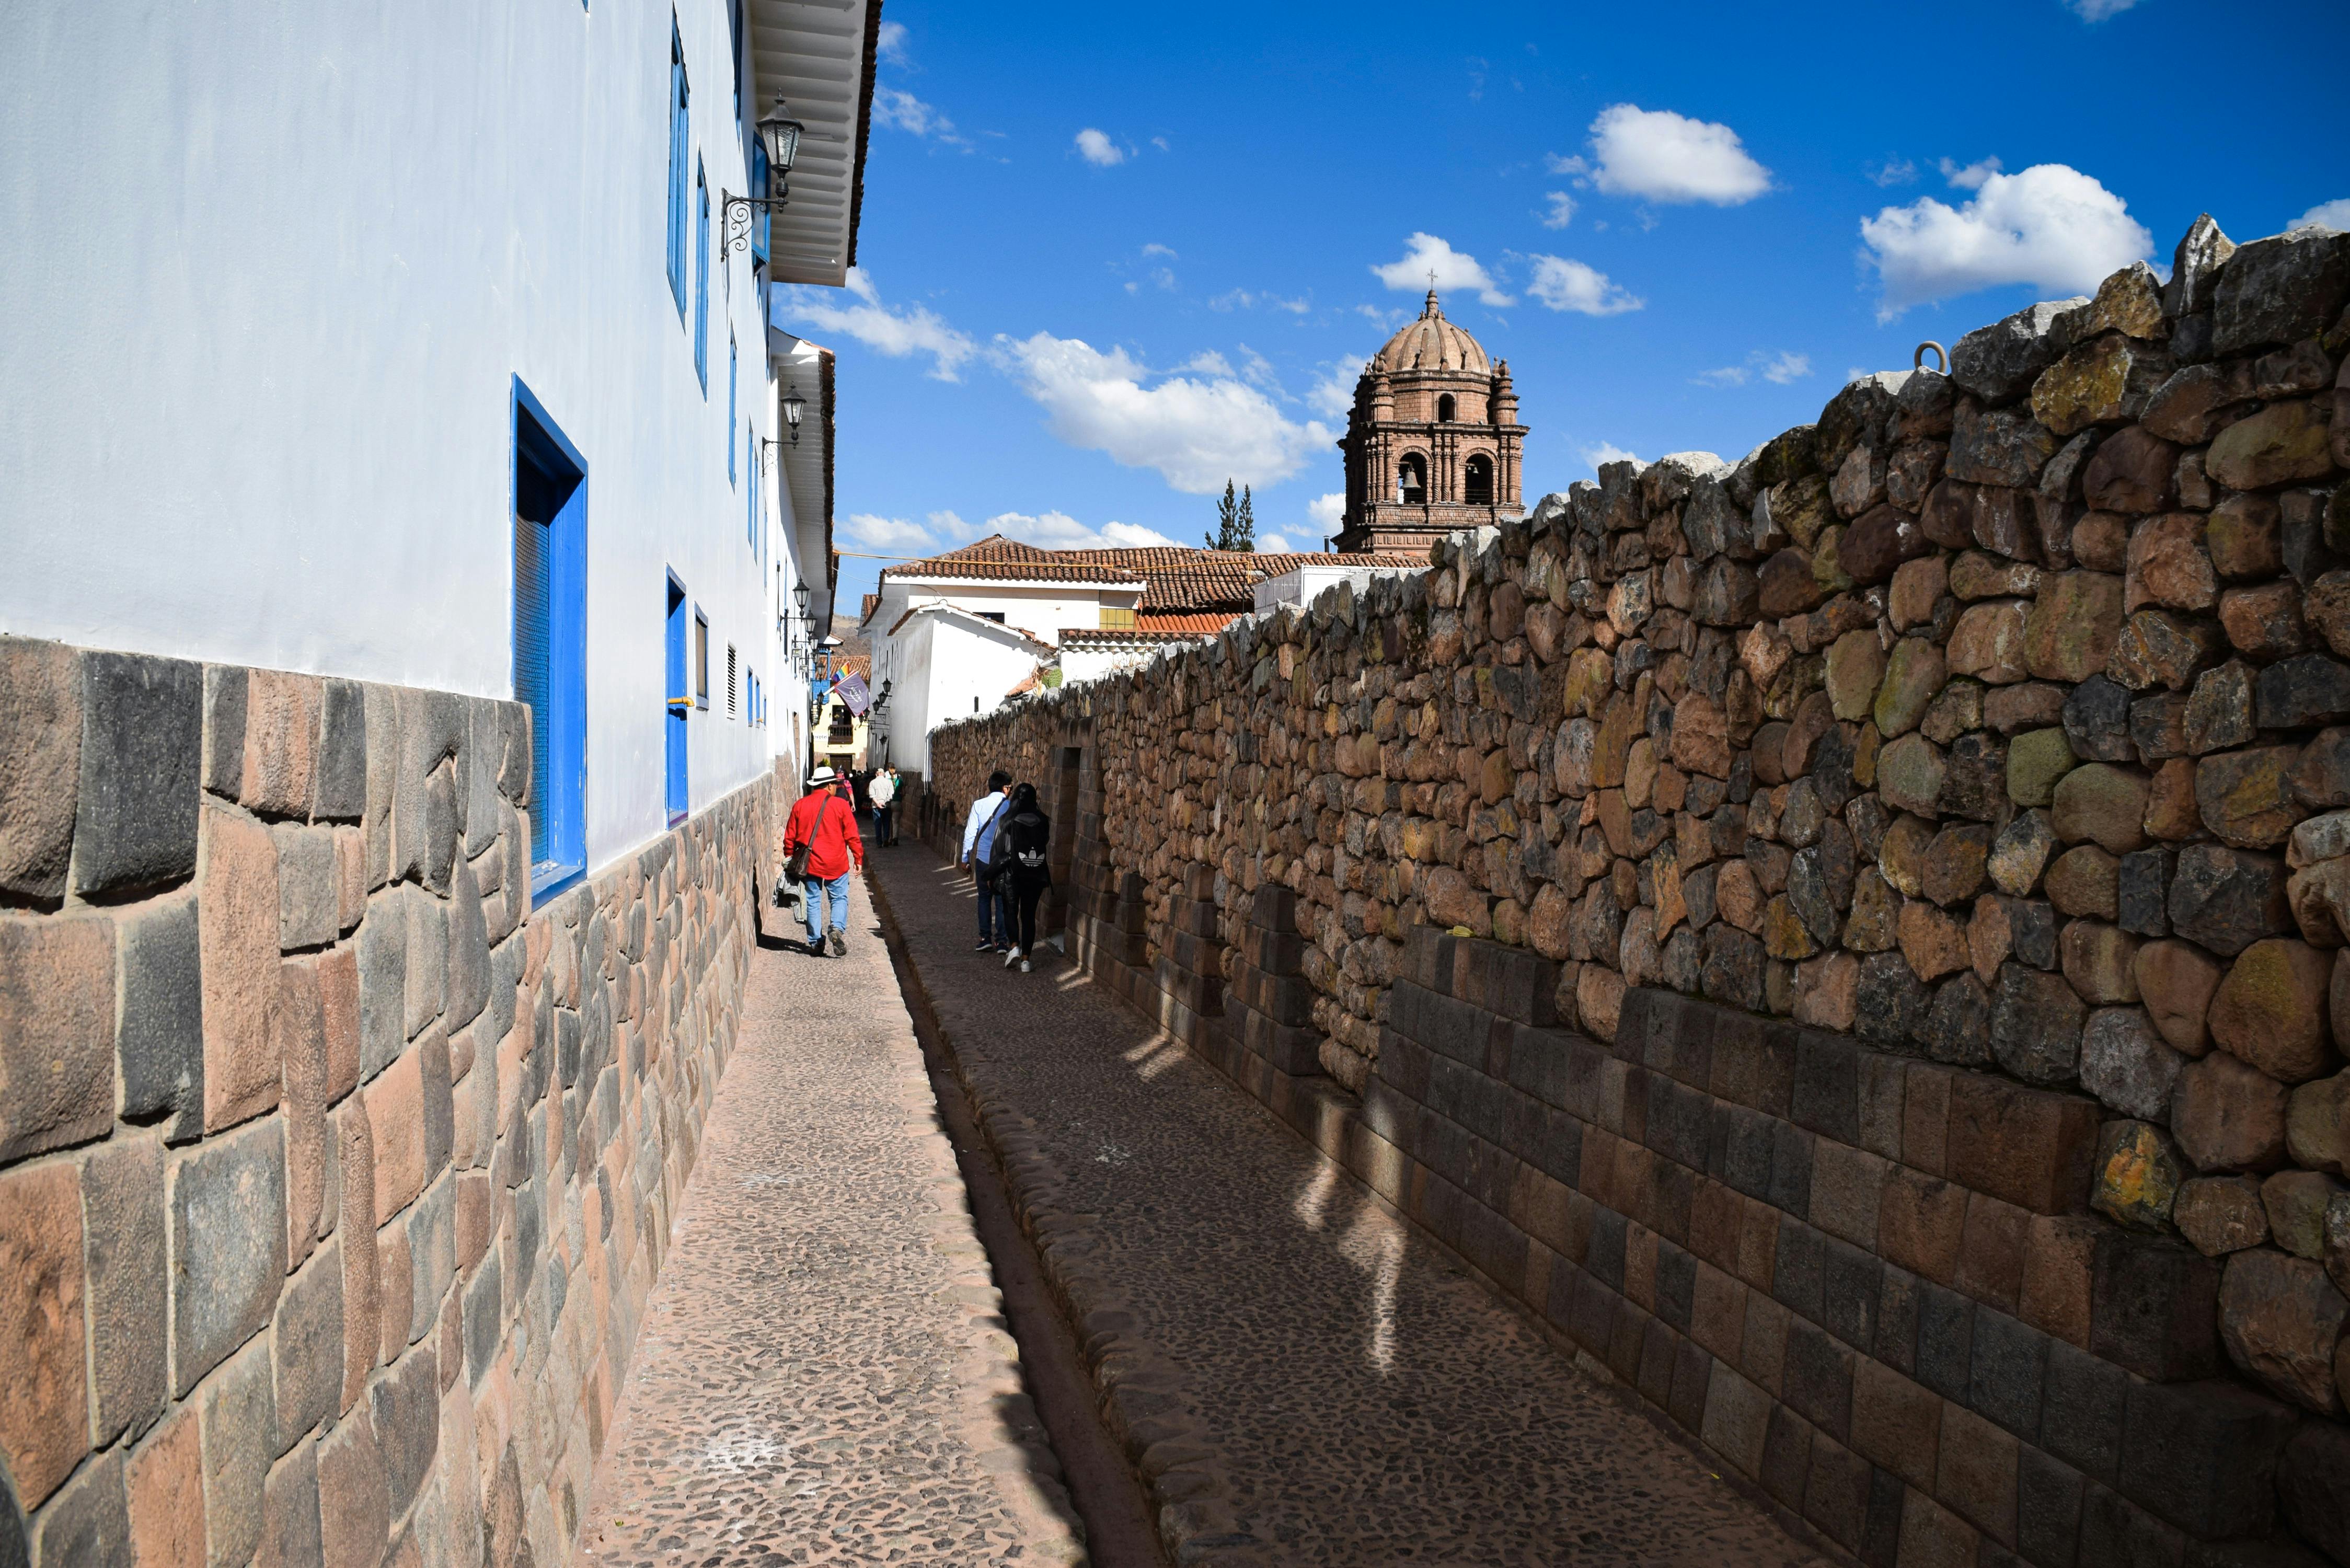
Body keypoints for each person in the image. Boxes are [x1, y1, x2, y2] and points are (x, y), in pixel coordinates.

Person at [781, 766, 863, 957]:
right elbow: (852, 835)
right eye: (835, 784)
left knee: (812, 901)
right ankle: (836, 928)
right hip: (837, 862)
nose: (836, 787)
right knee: (839, 898)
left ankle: (816, 942)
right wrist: (858, 858)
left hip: (810, 864)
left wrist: (789, 856)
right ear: (828, 786)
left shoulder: (800, 805)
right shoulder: (841, 806)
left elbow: (790, 837)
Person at [995, 782, 1052, 973]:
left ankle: (1014, 947)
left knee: (1010, 911)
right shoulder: (1043, 820)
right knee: (1029, 916)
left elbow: (999, 847)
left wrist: (994, 871)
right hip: (1035, 873)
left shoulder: (1007, 820)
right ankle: (1026, 961)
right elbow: (1044, 842)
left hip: (1013, 872)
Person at [959, 770, 1015, 952]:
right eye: (1010, 788)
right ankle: (1002, 941)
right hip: (1003, 860)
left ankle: (985, 938)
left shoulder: (979, 805)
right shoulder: (1010, 807)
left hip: (983, 859)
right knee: (1001, 900)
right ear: (1005, 788)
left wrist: (965, 859)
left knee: (984, 898)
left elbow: (970, 833)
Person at [868, 765, 897, 849]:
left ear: (877, 775)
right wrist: (884, 803)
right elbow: (891, 795)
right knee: (886, 824)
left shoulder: (873, 783)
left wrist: (878, 803)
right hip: (886, 806)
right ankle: (886, 840)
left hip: (876, 806)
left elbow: (872, 795)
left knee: (878, 825)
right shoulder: (889, 782)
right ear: (884, 774)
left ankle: (879, 843)